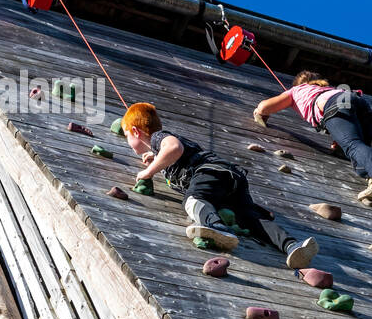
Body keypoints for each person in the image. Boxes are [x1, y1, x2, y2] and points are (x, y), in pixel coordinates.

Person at [121, 102, 318, 268]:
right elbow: (167, 154)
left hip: (210, 172)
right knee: (249, 219)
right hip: (230, 180)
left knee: (193, 199)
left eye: (126, 136)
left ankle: (215, 227)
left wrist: (148, 172)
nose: (128, 142)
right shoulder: (157, 150)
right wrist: (155, 158)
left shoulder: (159, 138)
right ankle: (293, 246)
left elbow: (173, 148)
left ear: (136, 132)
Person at [252, 72, 372, 203]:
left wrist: (259, 112)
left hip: (336, 104)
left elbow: (265, 107)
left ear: (300, 83)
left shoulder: (296, 90)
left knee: (352, 145)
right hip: (356, 101)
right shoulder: (329, 88)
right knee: (358, 153)